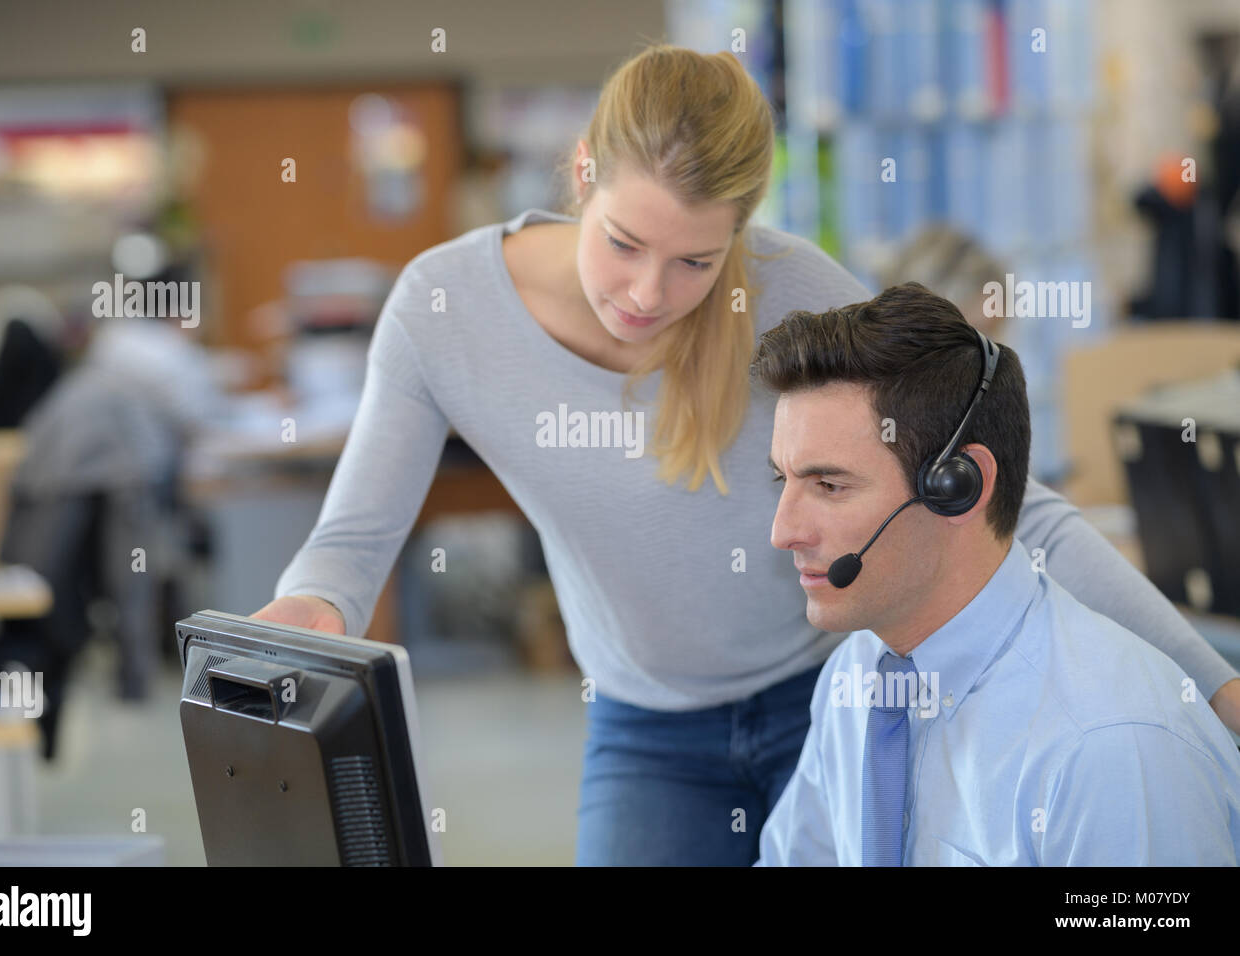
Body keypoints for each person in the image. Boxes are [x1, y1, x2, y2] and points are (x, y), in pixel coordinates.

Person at [252, 44, 1240, 866]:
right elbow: (351, 539)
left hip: (836, 694)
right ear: (583, 172)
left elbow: (1002, 499)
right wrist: (305, 611)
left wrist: (1213, 683)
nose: (647, 293)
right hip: (649, 724)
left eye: (695, 260)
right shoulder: (443, 308)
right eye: (625, 242)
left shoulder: (787, 288)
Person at [752, 283, 1240, 865]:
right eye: (785, 481)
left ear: (958, 487)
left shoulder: (1110, 748)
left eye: (829, 485)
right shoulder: (856, 675)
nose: (782, 532)